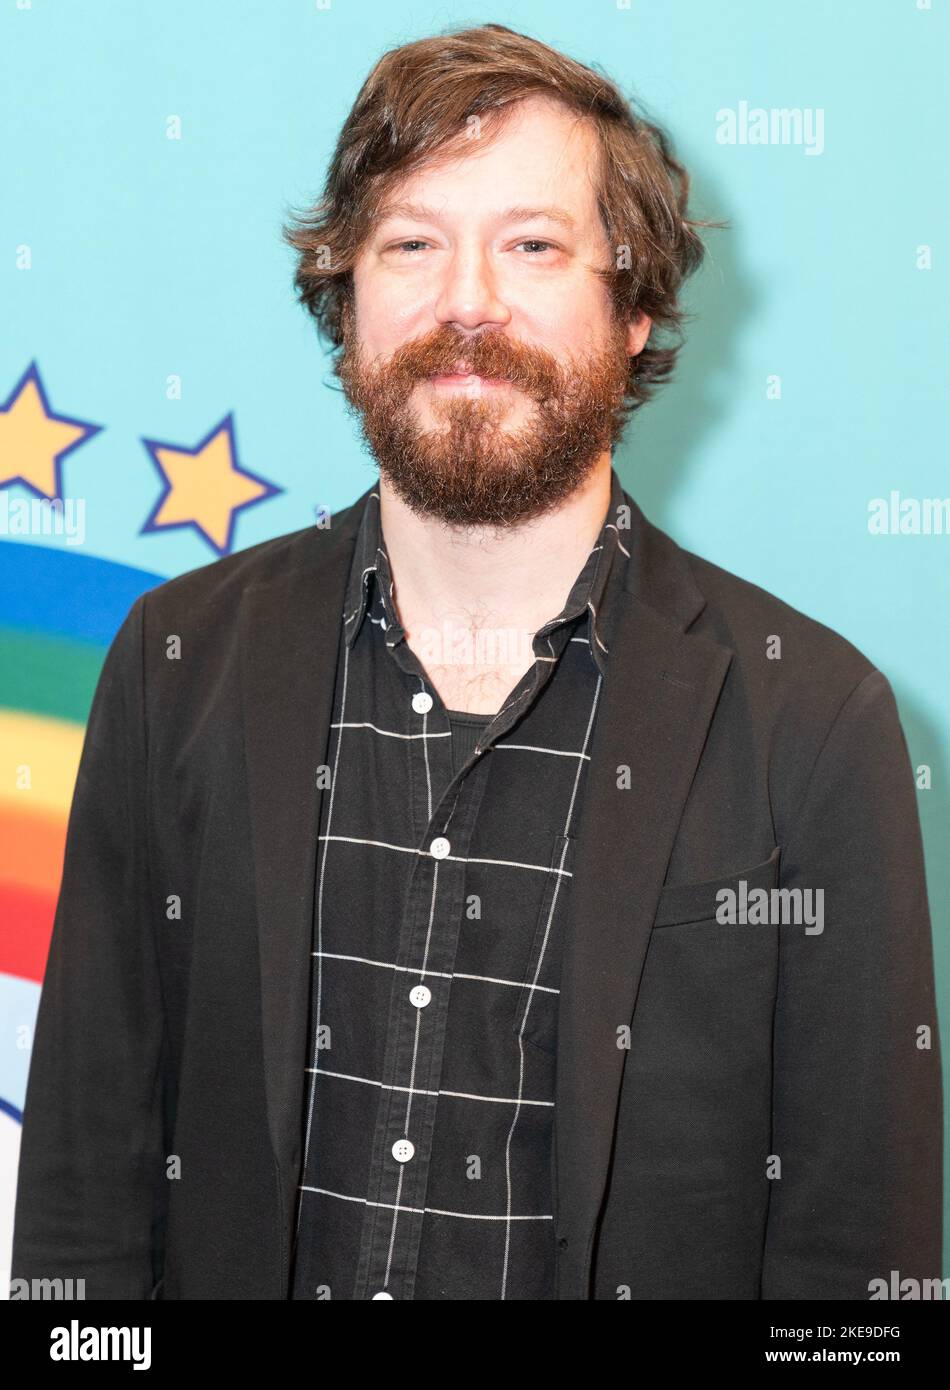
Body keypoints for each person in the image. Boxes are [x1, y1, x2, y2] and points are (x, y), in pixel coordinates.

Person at [11, 23, 941, 1301]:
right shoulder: (177, 662)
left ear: (634, 309)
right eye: (410, 243)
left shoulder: (814, 716)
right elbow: (80, 1191)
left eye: (532, 246)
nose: (466, 302)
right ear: (346, 304)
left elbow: (852, 1260)